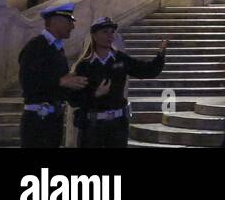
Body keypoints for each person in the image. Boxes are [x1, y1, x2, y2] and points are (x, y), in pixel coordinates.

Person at [72, 18, 168, 147]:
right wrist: (96, 94)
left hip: (117, 125)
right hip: (93, 126)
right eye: (105, 32)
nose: (110, 35)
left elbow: (146, 70)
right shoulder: (84, 65)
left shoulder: (120, 59)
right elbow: (75, 99)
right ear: (94, 36)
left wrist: (160, 55)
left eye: (112, 32)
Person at [18, 4, 89, 148]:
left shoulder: (57, 49)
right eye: (69, 22)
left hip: (53, 119)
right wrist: (60, 81)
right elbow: (28, 82)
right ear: (56, 21)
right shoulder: (36, 46)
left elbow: (61, 87)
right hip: (38, 121)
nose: (72, 27)